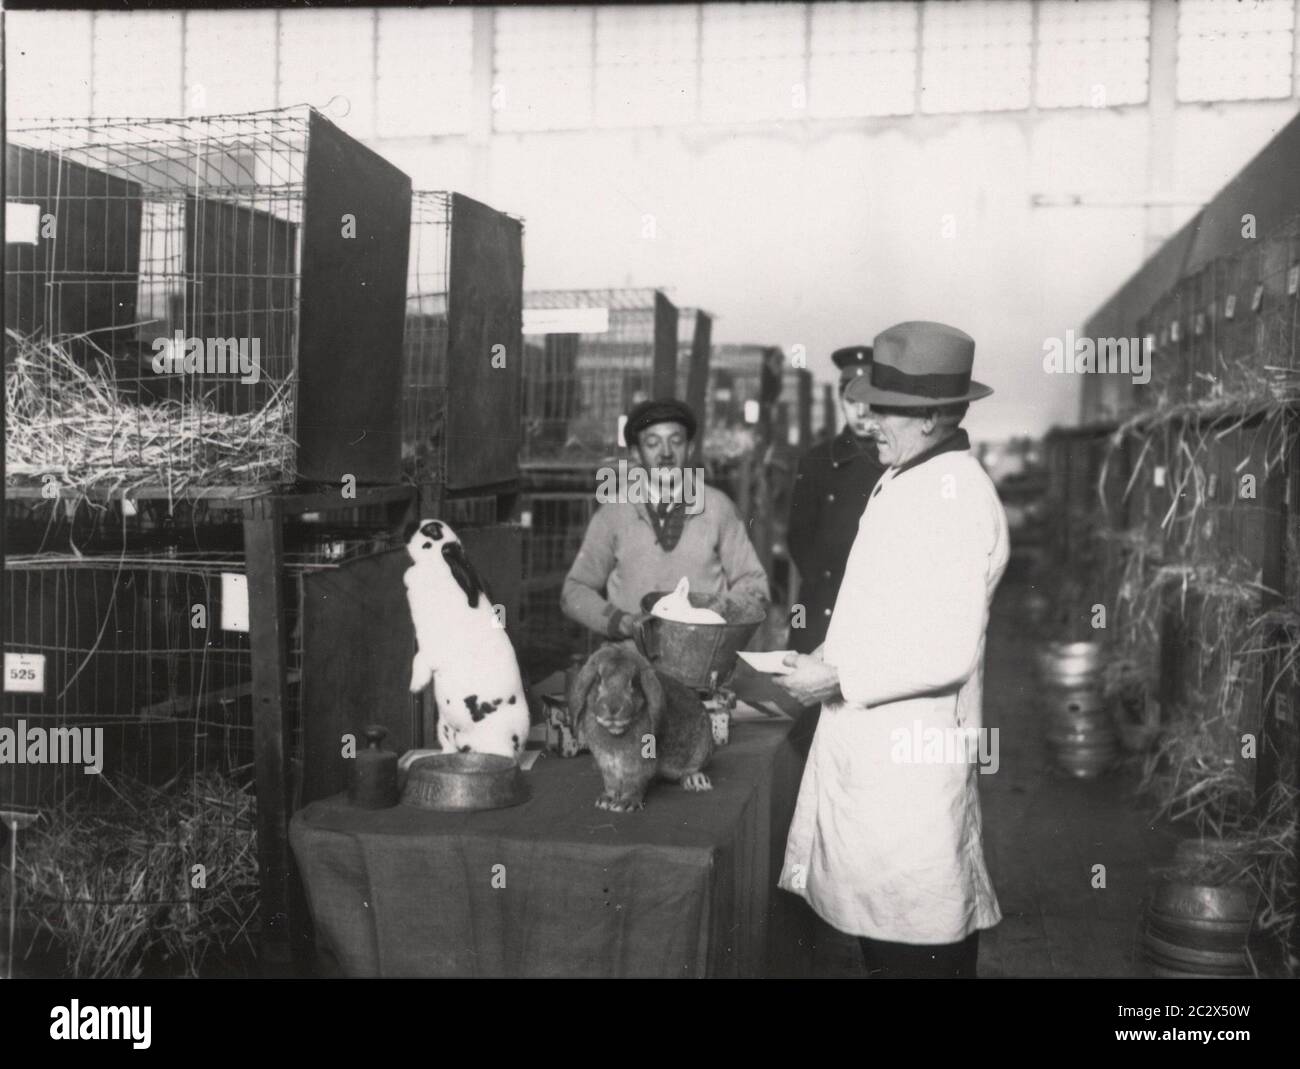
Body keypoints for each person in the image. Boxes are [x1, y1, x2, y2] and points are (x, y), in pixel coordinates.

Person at [774, 321, 1009, 979]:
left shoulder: (956, 497)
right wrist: (824, 651)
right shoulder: (906, 476)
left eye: (887, 409)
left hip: (910, 769)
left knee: (917, 945)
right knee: (887, 942)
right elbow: (887, 608)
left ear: (933, 415)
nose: (870, 420)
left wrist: (837, 676)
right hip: (878, 768)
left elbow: (947, 649)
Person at [561, 398, 770, 641]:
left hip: (703, 661)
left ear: (690, 449)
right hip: (632, 656)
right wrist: (621, 621)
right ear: (636, 453)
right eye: (652, 444)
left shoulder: (718, 507)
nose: (666, 453)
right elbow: (574, 591)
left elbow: (755, 584)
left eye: (676, 441)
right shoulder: (613, 513)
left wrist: (715, 615)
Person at [786, 345, 887, 656]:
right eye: (851, 400)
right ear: (840, 401)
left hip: (877, 609)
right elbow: (798, 538)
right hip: (819, 607)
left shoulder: (897, 463)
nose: (862, 412)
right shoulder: (816, 462)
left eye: (871, 401)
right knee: (804, 689)